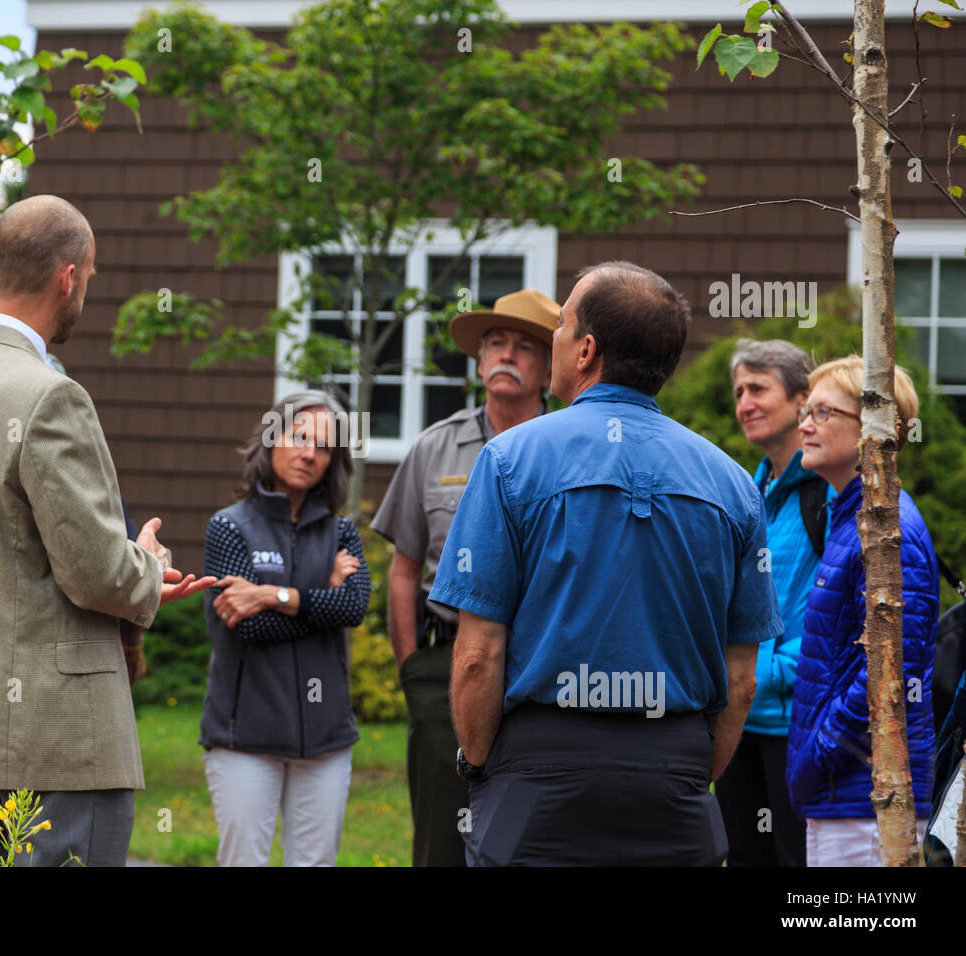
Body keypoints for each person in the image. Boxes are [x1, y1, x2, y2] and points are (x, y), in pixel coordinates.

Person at [430, 261, 781, 866]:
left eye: (561, 325)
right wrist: (692, 772)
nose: (557, 338)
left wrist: (481, 761)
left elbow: (477, 654)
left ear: (586, 349)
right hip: (675, 783)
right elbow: (742, 676)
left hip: (537, 777)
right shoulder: (732, 485)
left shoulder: (510, 460)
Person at [0, 195, 214, 867]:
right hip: (59, 739)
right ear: (68, 276)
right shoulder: (49, 396)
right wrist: (149, 567)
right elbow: (97, 571)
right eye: (91, 276)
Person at [370, 288, 557, 867]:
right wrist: (412, 666)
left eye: (525, 347)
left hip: (543, 670)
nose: (506, 354)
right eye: (495, 343)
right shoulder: (434, 447)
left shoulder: (568, 449)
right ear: (478, 362)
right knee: (442, 834)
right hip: (445, 666)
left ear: (551, 367)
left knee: (538, 828)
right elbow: (404, 568)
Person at [199, 391, 370, 866]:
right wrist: (322, 599)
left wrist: (275, 596)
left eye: (324, 446)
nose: (310, 452)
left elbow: (353, 606)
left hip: (326, 738)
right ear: (270, 440)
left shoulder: (342, 533)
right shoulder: (228, 528)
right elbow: (245, 629)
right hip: (243, 736)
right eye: (299, 436)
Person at [786, 355, 938, 866]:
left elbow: (892, 670)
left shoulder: (887, 530)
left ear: (874, 428)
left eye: (824, 412)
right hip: (845, 796)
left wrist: (822, 752)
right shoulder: (855, 520)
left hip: (864, 800)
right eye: (806, 409)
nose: (804, 423)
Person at [717, 339, 831, 867]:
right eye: (739, 391)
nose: (745, 402)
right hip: (738, 717)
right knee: (742, 857)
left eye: (759, 388)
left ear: (803, 398)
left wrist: (770, 669)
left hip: (797, 727)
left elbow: (847, 612)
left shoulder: (829, 493)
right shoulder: (749, 492)